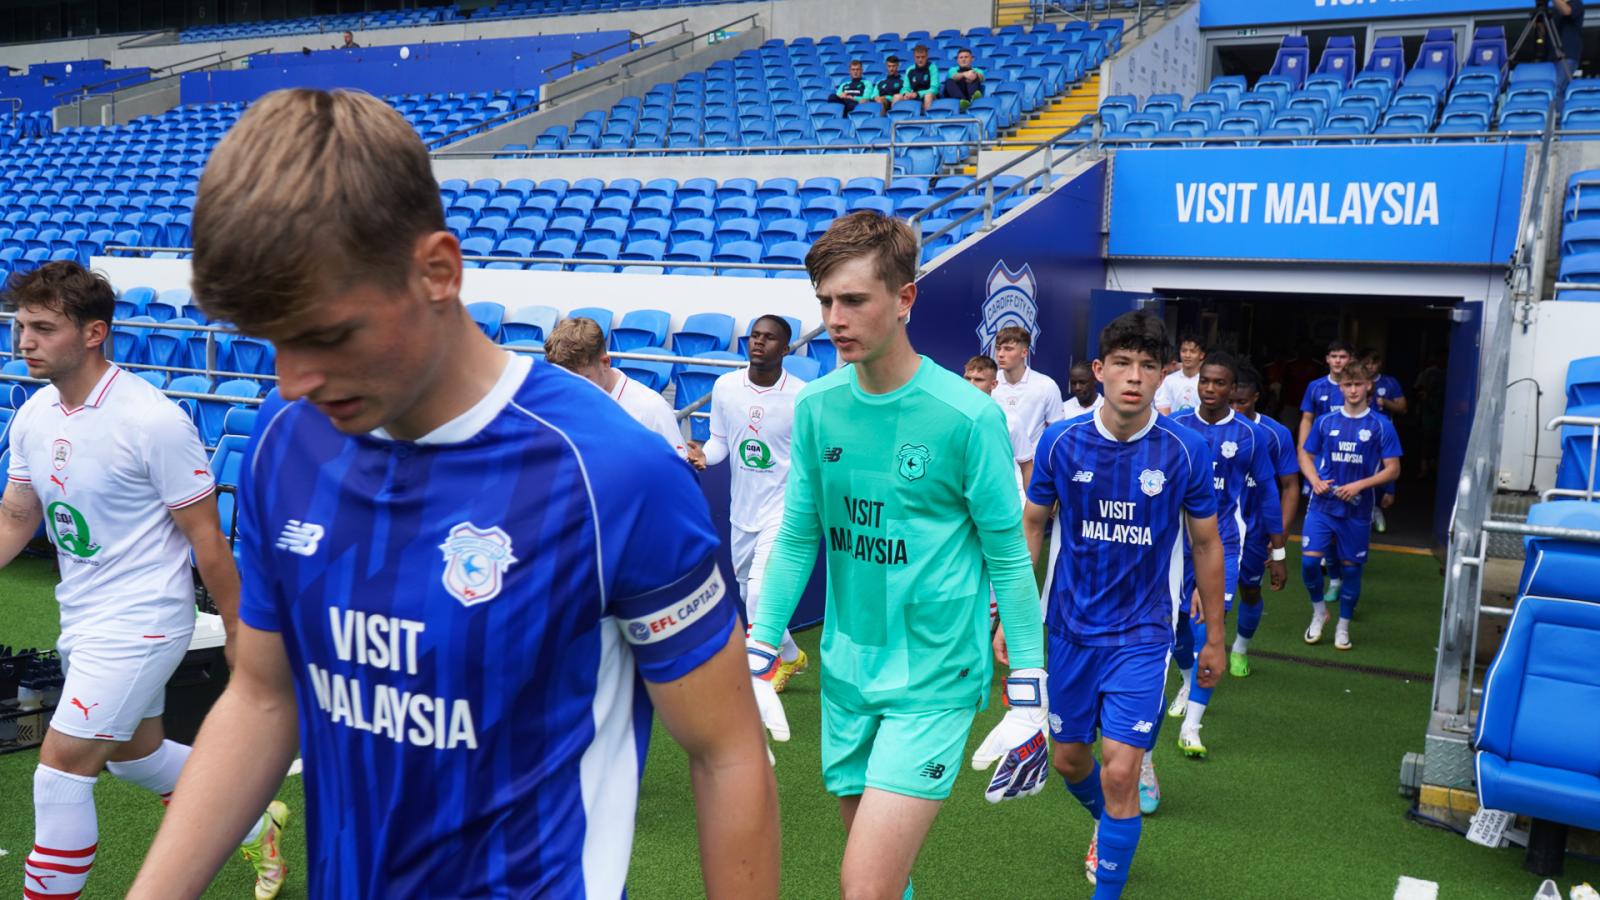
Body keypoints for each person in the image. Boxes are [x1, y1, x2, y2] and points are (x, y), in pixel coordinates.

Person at [127, 88, 779, 899]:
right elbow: (263, 698)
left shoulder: (612, 472)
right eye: (273, 343)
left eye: (326, 335)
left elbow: (727, 753)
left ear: (438, 269)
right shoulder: (283, 441)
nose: (293, 380)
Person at [747, 211, 1050, 899]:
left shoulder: (968, 417)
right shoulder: (819, 405)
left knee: (864, 886)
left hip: (935, 678)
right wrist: (760, 650)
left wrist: (1029, 688)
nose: (834, 318)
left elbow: (1008, 556)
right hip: (849, 672)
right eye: (825, 301)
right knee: (882, 876)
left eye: (853, 299)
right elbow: (800, 535)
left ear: (905, 298)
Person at [0, 261, 290, 900]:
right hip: (82, 613)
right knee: (137, 758)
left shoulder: (152, 420)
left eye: (43, 329)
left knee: (60, 771)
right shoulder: (33, 414)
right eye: (21, 326)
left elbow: (208, 538)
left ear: (94, 332)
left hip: (145, 618)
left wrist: (241, 631)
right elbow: (18, 516)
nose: (24, 341)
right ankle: (253, 818)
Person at [1015, 310, 1226, 898]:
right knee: (1070, 763)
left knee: (1121, 769)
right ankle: (1105, 825)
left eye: (1148, 366)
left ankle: (1107, 884)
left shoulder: (1185, 450)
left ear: (1163, 376)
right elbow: (1031, 528)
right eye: (1124, 364)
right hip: (1069, 629)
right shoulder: (1061, 439)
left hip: (1144, 632)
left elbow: (1207, 543)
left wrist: (1214, 637)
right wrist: (1013, 613)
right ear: (1100, 371)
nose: (1134, 377)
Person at [1167, 354, 1286, 761]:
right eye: (1206, 381)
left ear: (1233, 389)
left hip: (1223, 546)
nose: (1212, 389)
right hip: (1174, 548)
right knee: (1178, 632)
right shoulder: (1177, 426)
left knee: (1205, 634)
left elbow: (1269, 492)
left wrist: (1279, 548)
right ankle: (1186, 681)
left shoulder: (1250, 437)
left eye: (1221, 383)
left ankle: (1192, 725)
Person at [687, 315, 808, 690]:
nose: (759, 343)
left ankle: (761, 671)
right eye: (754, 336)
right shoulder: (725, 387)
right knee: (745, 591)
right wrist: (706, 456)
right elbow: (720, 441)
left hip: (783, 509)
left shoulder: (803, 395)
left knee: (759, 591)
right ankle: (792, 657)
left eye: (769, 338)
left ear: (785, 349)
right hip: (742, 508)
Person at [1300, 362, 1402, 651]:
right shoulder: (1325, 421)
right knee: (1309, 564)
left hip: (1357, 510)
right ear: (1340, 387)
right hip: (1322, 505)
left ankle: (1343, 626)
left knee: (1352, 571)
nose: (1353, 390)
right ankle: (1319, 611)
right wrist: (1314, 479)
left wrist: (1360, 485)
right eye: (1348, 385)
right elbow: (1306, 455)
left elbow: (1393, 469)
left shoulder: (1380, 425)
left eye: (1358, 384)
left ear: (1369, 385)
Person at [1228, 366, 1300, 677]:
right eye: (1230, 401)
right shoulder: (1205, 429)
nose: (1234, 409)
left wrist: (1279, 540)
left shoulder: (1275, 434)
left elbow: (1289, 487)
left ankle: (1240, 648)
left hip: (1255, 532)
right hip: (1212, 530)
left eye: (1241, 402)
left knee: (1251, 591)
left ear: (1256, 397)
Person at [544, 316, 689, 460]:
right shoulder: (559, 402)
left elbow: (680, 476)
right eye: (564, 379)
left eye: (583, 379)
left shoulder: (652, 410)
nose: (573, 389)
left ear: (605, 363)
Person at [1298, 339, 1355, 602]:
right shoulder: (1315, 387)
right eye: (1334, 356)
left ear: (1350, 359)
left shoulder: (1356, 389)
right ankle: (1333, 577)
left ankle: (1347, 571)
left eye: (1343, 356)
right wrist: (1303, 452)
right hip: (1321, 465)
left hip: (1350, 465)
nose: (1338, 361)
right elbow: (1307, 420)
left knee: (1345, 524)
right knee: (1324, 519)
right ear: (1327, 359)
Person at [991, 324, 1064, 488]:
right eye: (998, 348)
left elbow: (1057, 437)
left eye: (1008, 349)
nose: (1001, 354)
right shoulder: (990, 384)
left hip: (1033, 473)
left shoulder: (1046, 385)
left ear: (1024, 352)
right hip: (996, 472)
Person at [1363, 348, 1405, 534]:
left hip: (1382, 435)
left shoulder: (1389, 382)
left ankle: (1377, 508)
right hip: (1359, 434)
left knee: (1384, 468)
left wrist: (1385, 403)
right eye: (1365, 363)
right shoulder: (1356, 382)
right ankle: (1365, 512)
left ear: (1379, 363)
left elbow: (1403, 408)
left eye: (1372, 363)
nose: (1369, 367)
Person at [1153, 333, 1204, 415]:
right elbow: (1164, 413)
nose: (1187, 355)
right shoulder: (1168, 381)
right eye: (1184, 351)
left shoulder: (1205, 382)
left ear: (1201, 355)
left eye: (1192, 351)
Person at [904, 45, 942, 111]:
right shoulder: (909, 69)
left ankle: (927, 120)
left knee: (928, 95)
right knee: (897, 97)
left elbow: (934, 89)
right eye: (917, 57)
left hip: (930, 96)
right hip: (914, 96)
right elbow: (905, 88)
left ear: (927, 57)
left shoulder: (933, 68)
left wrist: (918, 94)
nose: (920, 60)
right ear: (914, 57)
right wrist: (906, 94)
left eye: (923, 57)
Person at [1555, 0, 1585, 76]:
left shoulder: (1576, 3)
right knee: (1546, 86)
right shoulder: (1554, 10)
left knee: (1556, 86)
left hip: (1567, 56)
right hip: (1552, 56)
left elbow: (1566, 11)